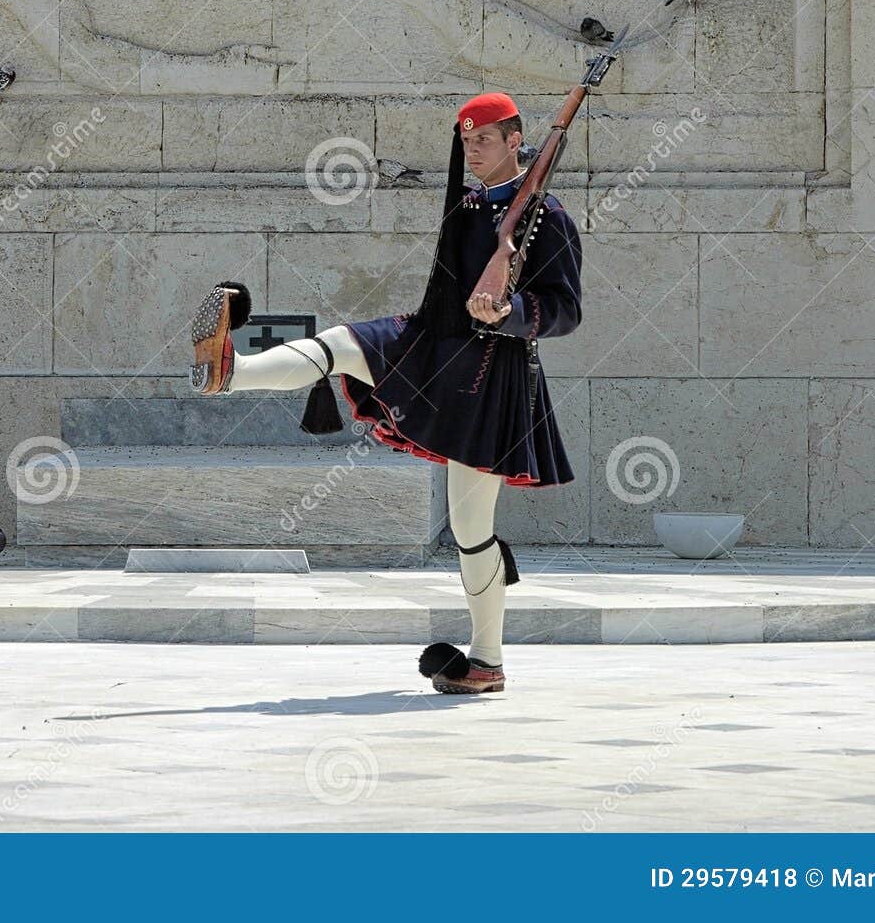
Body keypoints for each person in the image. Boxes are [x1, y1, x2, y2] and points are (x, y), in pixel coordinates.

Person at [189, 91, 582, 694]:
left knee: (471, 529)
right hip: (436, 341)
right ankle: (231, 371)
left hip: (489, 376)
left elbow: (564, 311)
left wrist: (508, 309)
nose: (472, 150)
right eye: (466, 140)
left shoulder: (546, 218)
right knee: (344, 343)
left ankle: (487, 658)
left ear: (515, 140)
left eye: (485, 139)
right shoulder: (471, 211)